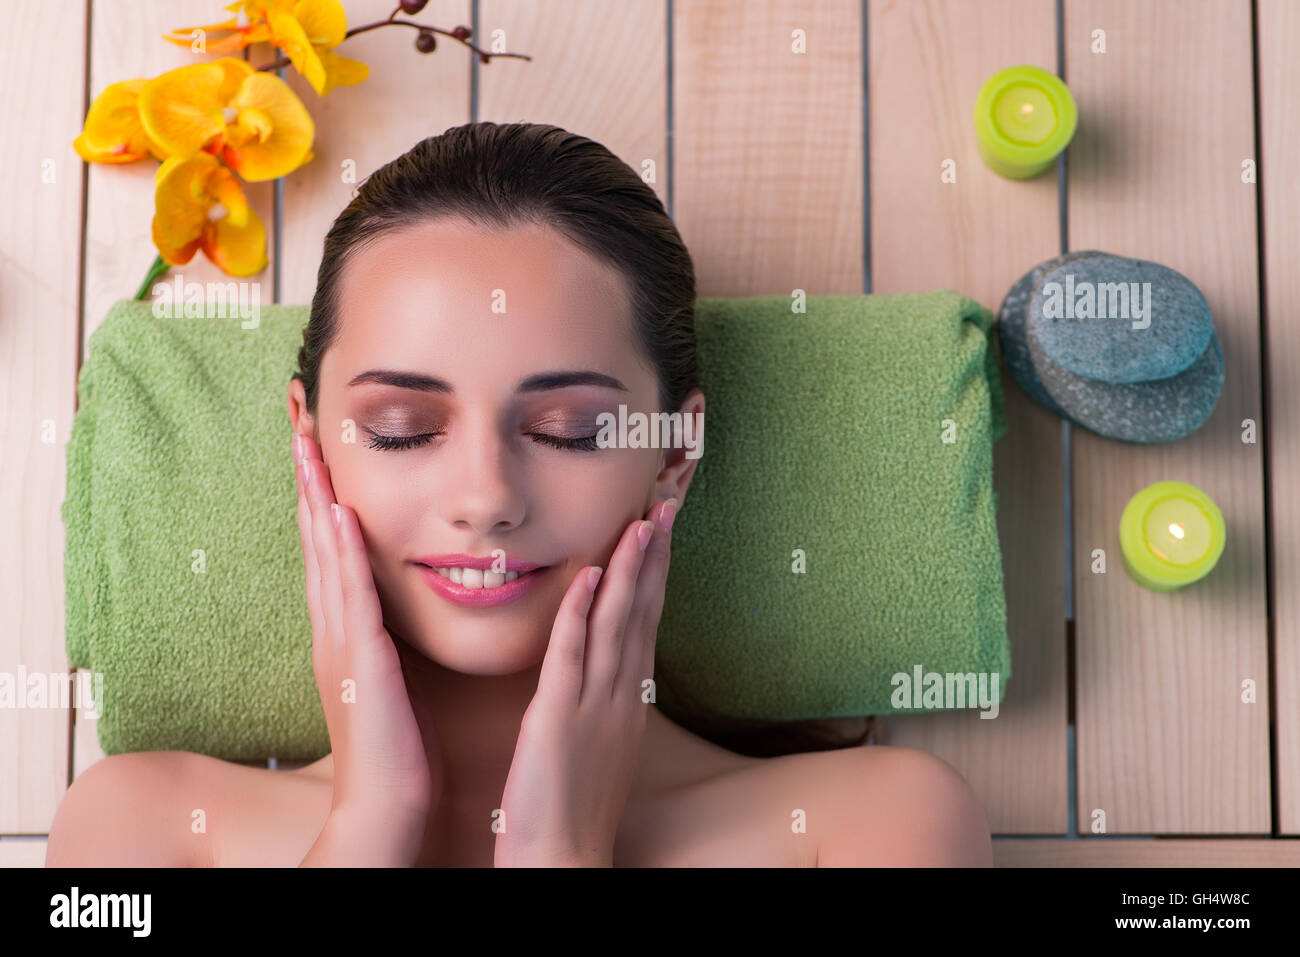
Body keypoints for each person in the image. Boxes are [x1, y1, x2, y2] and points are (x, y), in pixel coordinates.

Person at [47, 122, 992, 867]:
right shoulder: (148, 829)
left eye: (569, 430)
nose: (487, 498)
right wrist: (370, 825)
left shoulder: (874, 824)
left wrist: (565, 853)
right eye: (403, 428)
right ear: (311, 440)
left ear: (674, 450)